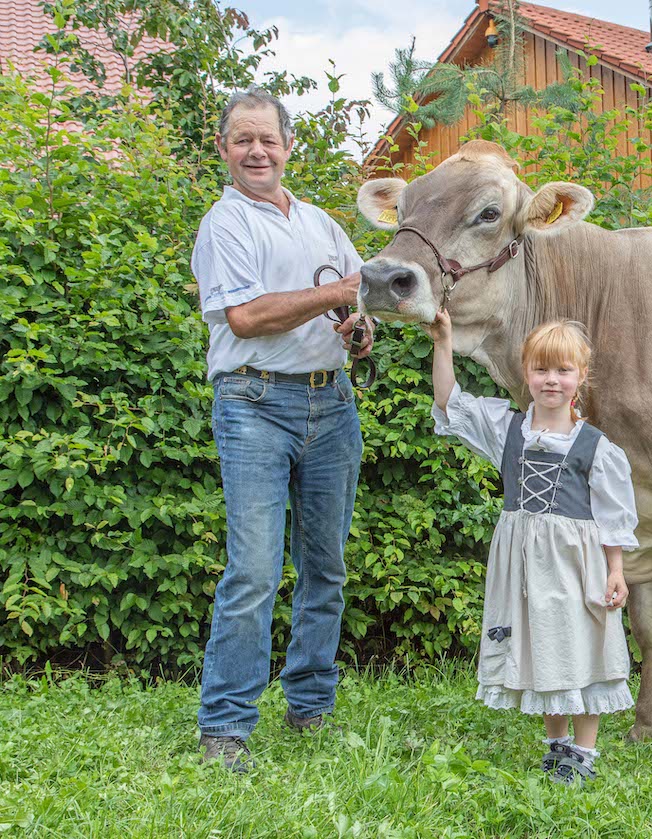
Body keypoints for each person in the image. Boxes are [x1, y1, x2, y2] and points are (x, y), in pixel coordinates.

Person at [191, 87, 373, 773]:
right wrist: (340, 295)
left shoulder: (323, 223)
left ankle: (310, 707)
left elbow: (358, 304)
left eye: (268, 139)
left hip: (331, 406)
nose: (257, 151)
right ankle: (226, 724)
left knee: (325, 566)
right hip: (254, 402)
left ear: (289, 146)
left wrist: (361, 330)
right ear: (224, 149)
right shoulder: (226, 222)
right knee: (256, 570)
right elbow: (244, 318)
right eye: (243, 139)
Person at [428, 313, 638, 785]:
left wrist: (615, 571)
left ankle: (583, 754)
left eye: (563, 370)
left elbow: (613, 516)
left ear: (581, 378)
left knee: (582, 646)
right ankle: (556, 745)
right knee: (544, 644)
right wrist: (443, 342)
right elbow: (449, 401)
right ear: (526, 373)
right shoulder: (508, 430)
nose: (552, 380)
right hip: (522, 565)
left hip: (574, 563)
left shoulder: (595, 447)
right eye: (542, 369)